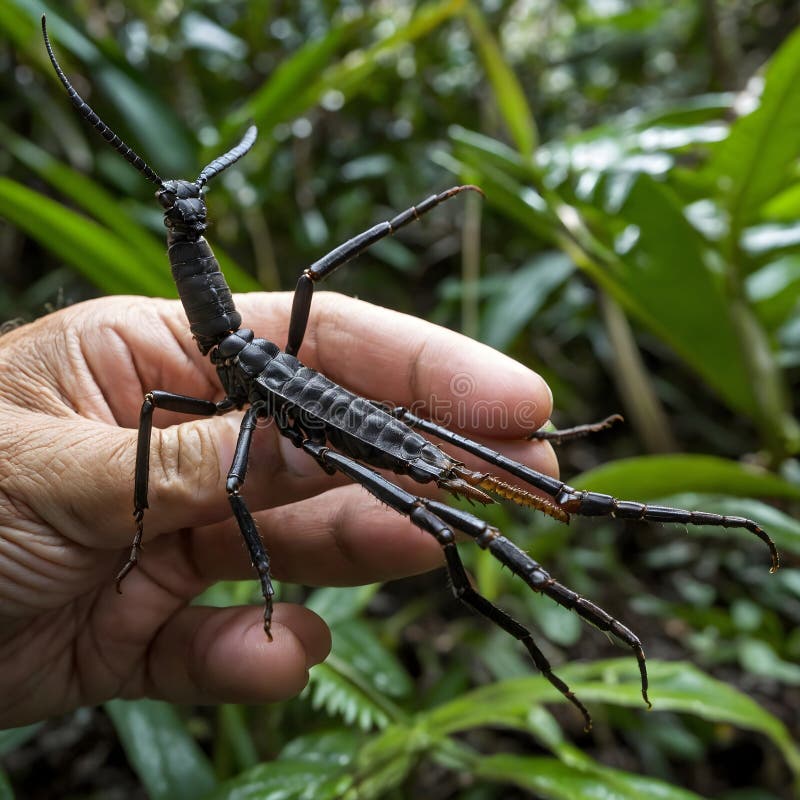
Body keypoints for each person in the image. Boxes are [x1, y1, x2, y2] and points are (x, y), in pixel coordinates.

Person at [0, 291, 556, 729]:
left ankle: (559, 554)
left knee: (437, 509)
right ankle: (537, 631)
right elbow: (232, 485)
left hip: (346, 420)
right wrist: (264, 574)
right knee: (435, 524)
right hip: (320, 421)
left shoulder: (246, 353)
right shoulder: (239, 359)